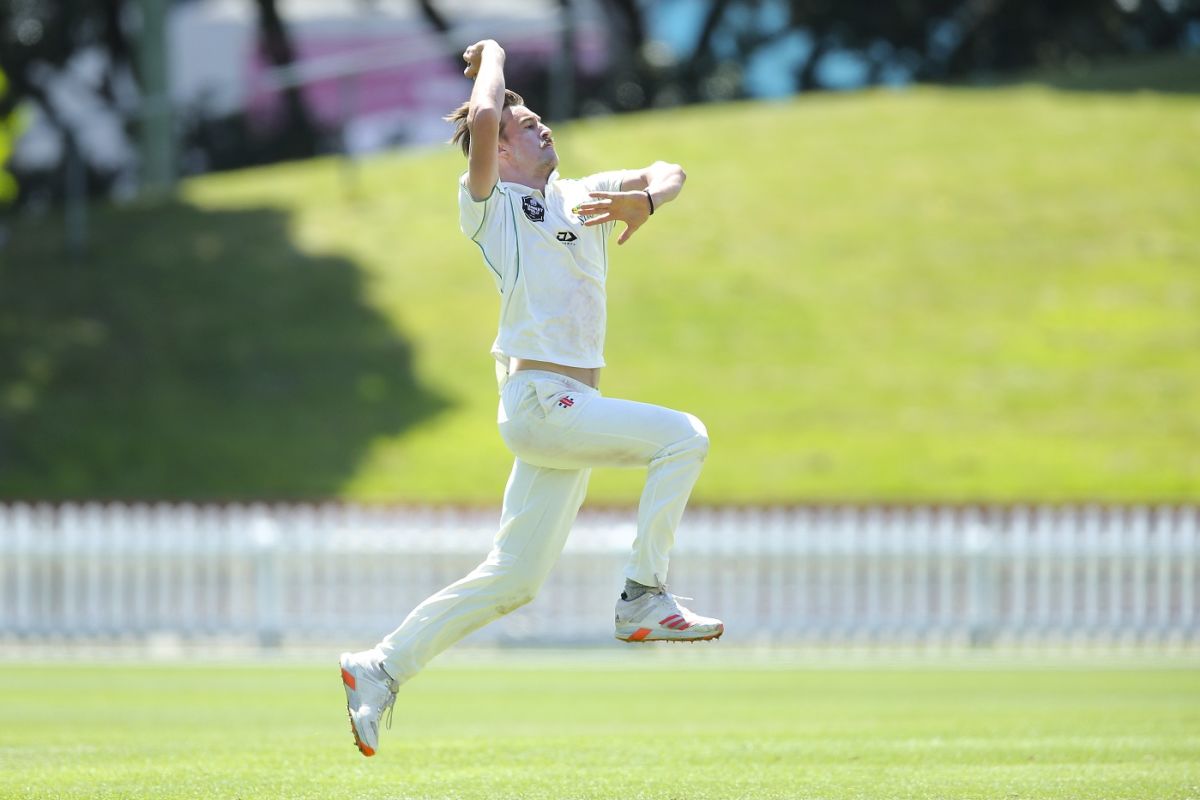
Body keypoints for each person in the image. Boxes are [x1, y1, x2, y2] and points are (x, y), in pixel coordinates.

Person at [339, 39, 721, 758]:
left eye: (542, 120)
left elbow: (671, 169)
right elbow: (484, 114)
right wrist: (495, 57)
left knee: (513, 579)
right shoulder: (491, 206)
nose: (541, 128)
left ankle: (379, 668)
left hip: (565, 415)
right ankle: (644, 595)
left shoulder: (581, 196)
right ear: (501, 151)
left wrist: (646, 198)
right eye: (527, 125)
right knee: (685, 436)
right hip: (542, 401)